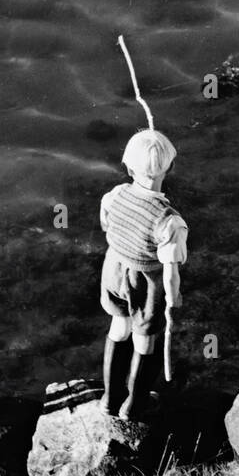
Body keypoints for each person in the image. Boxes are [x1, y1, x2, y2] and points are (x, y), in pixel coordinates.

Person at [99, 129, 188, 421]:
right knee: (144, 339)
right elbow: (171, 269)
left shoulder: (114, 195)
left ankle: (110, 400)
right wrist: (174, 298)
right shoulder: (170, 221)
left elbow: (106, 225)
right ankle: (134, 405)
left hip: (113, 270)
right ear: (170, 168)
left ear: (127, 167)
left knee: (118, 327)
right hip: (145, 282)